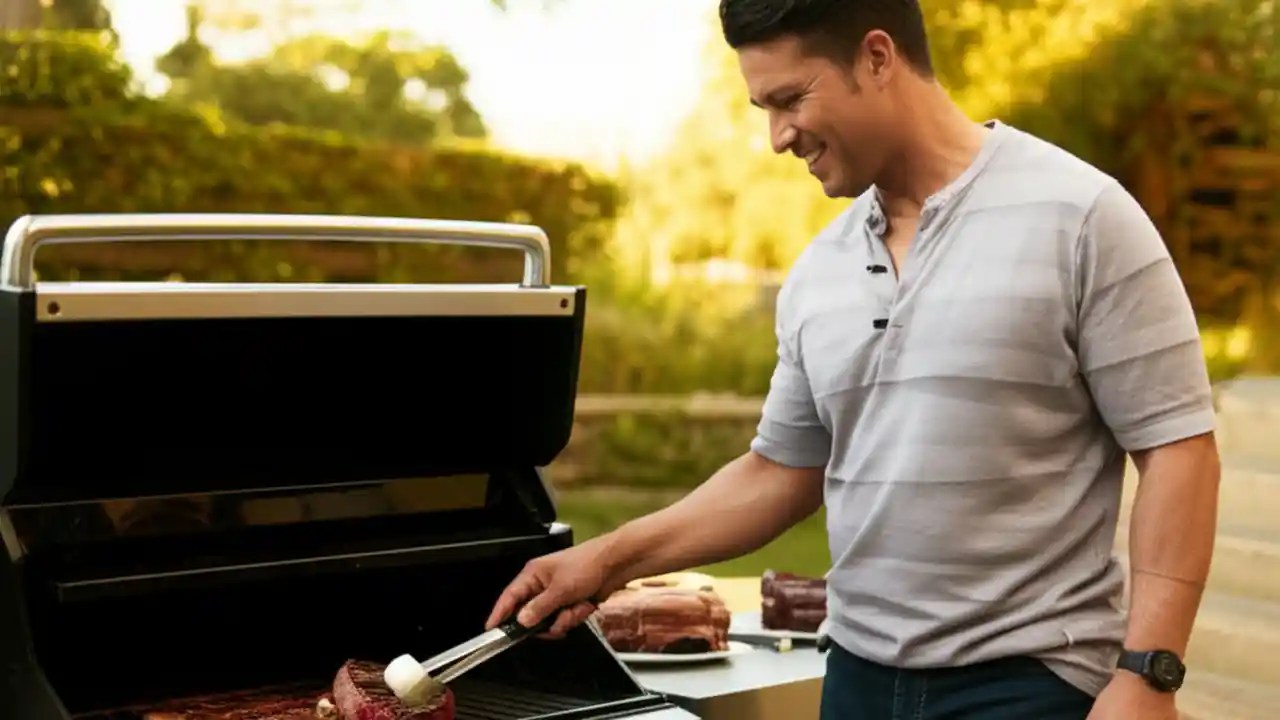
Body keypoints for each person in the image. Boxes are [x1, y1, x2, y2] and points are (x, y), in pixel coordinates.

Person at [485, 1, 1221, 718]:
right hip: (857, 681)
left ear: (876, 57)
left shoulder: (1084, 216)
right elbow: (782, 471)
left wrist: (1148, 675)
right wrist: (608, 560)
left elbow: (1178, 448)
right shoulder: (820, 269)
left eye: (790, 99)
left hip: (1031, 686)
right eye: (762, 108)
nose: (777, 137)